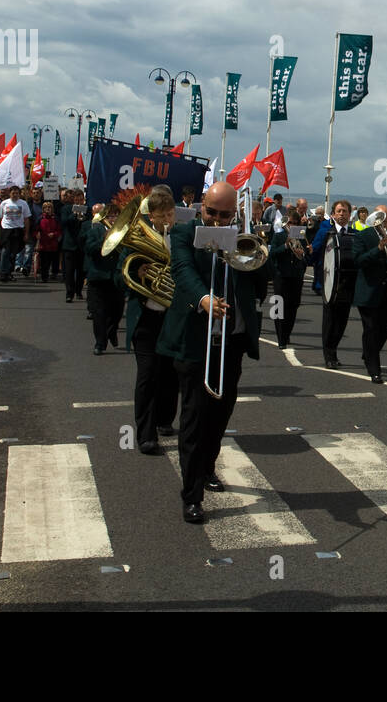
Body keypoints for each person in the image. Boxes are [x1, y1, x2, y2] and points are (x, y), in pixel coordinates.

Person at [157, 182, 268, 524]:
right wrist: (204, 298)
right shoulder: (183, 233)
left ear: (234, 213)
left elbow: (260, 282)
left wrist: (260, 252)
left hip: (231, 340)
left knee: (221, 413)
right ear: (202, 206)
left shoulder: (240, 237)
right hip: (195, 339)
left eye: (225, 215)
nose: (218, 222)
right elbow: (182, 270)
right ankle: (191, 495)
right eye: (212, 213)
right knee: (194, 418)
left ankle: (207, 467)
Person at [126, 187, 179, 455]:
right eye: (162, 216)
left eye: (171, 214)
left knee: (170, 372)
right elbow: (119, 277)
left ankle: (164, 419)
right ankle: (145, 435)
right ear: (152, 216)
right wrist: (138, 271)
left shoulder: (178, 239)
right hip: (146, 317)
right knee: (147, 375)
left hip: (170, 317)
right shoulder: (138, 240)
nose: (168, 220)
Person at [351, 203, 387, 383]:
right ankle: (374, 369)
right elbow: (359, 261)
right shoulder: (362, 236)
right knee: (370, 329)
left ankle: (369, 352)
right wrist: (377, 250)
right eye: (381, 219)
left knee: (384, 330)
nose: (384, 224)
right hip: (369, 291)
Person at [315, 200, 355, 368]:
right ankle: (328, 354)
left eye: (344, 211)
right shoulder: (327, 233)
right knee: (330, 321)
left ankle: (334, 350)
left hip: (347, 284)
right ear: (333, 214)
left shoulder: (355, 235)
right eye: (338, 211)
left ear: (349, 214)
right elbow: (315, 252)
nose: (341, 214)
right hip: (330, 283)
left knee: (342, 321)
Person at [84, 203, 125, 355]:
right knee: (99, 313)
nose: (113, 219)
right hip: (98, 277)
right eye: (109, 216)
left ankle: (111, 331)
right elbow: (89, 249)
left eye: (115, 216)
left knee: (117, 311)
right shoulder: (96, 230)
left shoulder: (123, 231)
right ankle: (100, 343)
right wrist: (104, 239)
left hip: (116, 277)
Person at [269, 209, 307, 347]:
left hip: (296, 276)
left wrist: (305, 252)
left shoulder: (302, 236)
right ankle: (281, 338)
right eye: (289, 222)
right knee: (279, 307)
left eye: (294, 223)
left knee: (293, 307)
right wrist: (285, 246)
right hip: (281, 276)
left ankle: (286, 333)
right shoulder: (279, 236)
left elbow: (306, 257)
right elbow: (272, 253)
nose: (291, 225)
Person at [0, 185, 32, 283]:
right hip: (6, 230)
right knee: (5, 252)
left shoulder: (23, 204)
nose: (15, 195)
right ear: (9, 193)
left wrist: (26, 234)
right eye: (13, 193)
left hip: (18, 231)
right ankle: (3, 273)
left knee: (13, 254)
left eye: (17, 193)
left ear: (19, 194)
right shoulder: (4, 203)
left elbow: (26, 219)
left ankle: (9, 273)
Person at [36, 201, 62, 282]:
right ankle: (44, 276)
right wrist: (37, 235)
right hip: (43, 244)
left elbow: (60, 230)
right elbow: (35, 230)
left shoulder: (56, 219)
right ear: (43, 209)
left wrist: (54, 234)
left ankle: (54, 273)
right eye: (46, 208)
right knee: (44, 262)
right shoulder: (40, 218)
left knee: (54, 260)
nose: (48, 209)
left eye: (49, 207)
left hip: (53, 244)